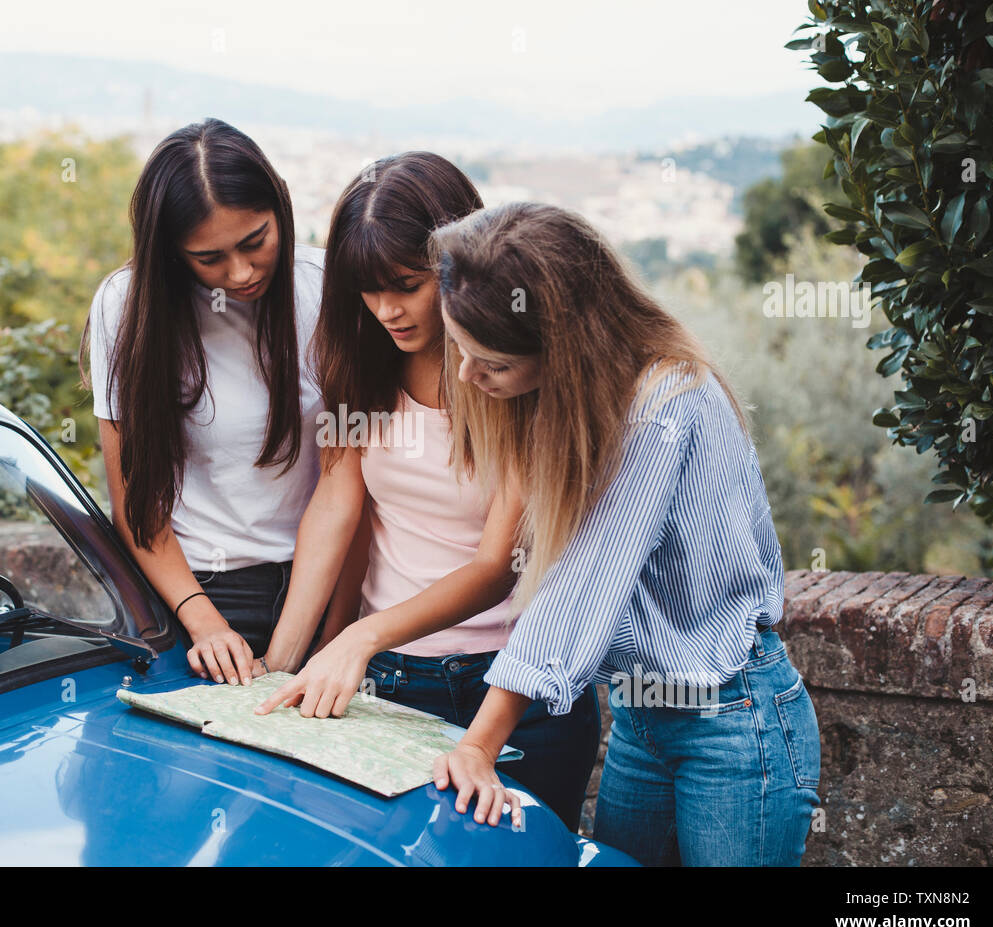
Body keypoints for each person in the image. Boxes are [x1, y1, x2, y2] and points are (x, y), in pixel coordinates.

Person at [427, 201, 821, 866]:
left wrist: (478, 745)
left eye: (488, 362)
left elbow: (583, 579)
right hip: (639, 721)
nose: (466, 377)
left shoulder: (661, 409)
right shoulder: (582, 400)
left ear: (562, 342)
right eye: (459, 352)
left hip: (729, 722)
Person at [254, 155, 599, 832]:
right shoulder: (363, 362)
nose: (386, 310)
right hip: (391, 681)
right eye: (366, 291)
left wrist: (358, 637)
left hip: (512, 688)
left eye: (407, 286)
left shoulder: (516, 375)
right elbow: (341, 509)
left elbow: (497, 568)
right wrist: (287, 659)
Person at [81, 118, 327, 687]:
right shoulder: (127, 307)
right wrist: (204, 622)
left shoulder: (324, 287)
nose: (240, 273)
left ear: (281, 209)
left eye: (255, 241)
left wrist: (326, 631)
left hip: (327, 586)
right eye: (208, 257)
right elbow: (136, 503)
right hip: (197, 591)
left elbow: (354, 485)